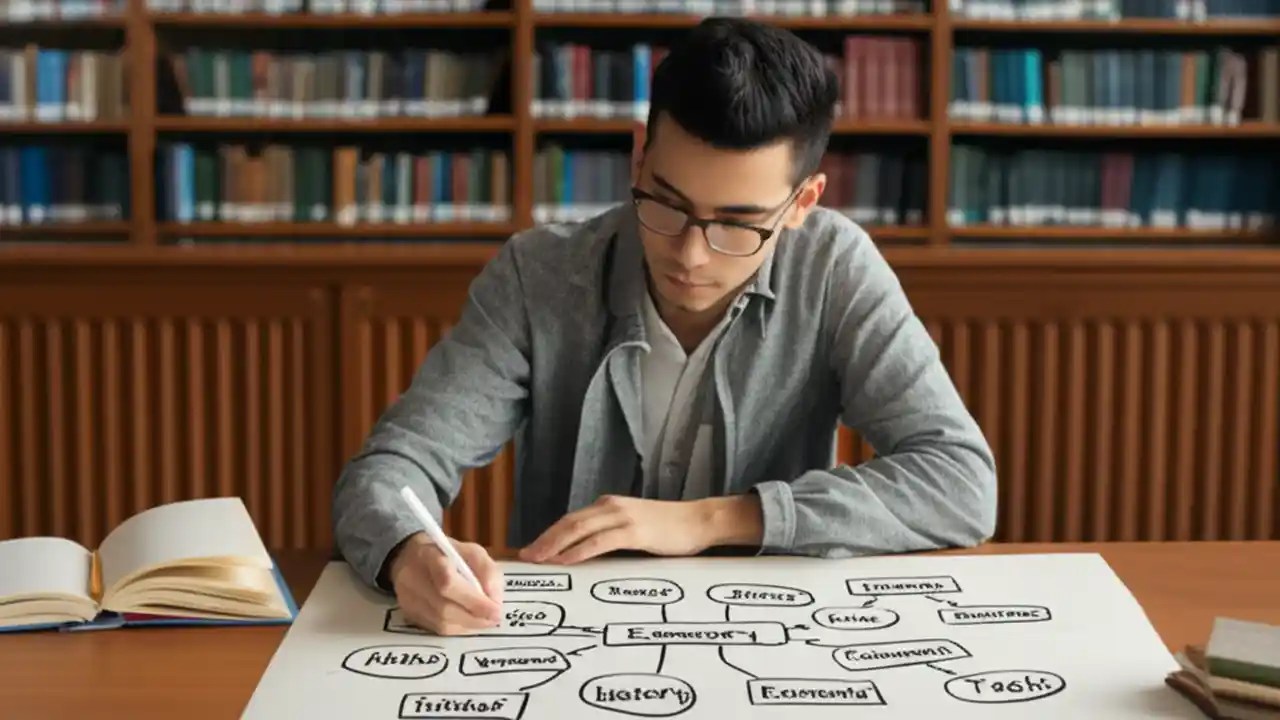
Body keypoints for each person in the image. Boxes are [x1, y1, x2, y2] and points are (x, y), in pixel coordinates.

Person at [331, 17, 998, 636]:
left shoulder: (834, 269)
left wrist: (711, 520)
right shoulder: (539, 275)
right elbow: (392, 468)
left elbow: (960, 482)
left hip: (768, 634)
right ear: (638, 156)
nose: (690, 254)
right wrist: (407, 552)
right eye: (667, 204)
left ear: (803, 203)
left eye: (737, 223)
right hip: (563, 643)